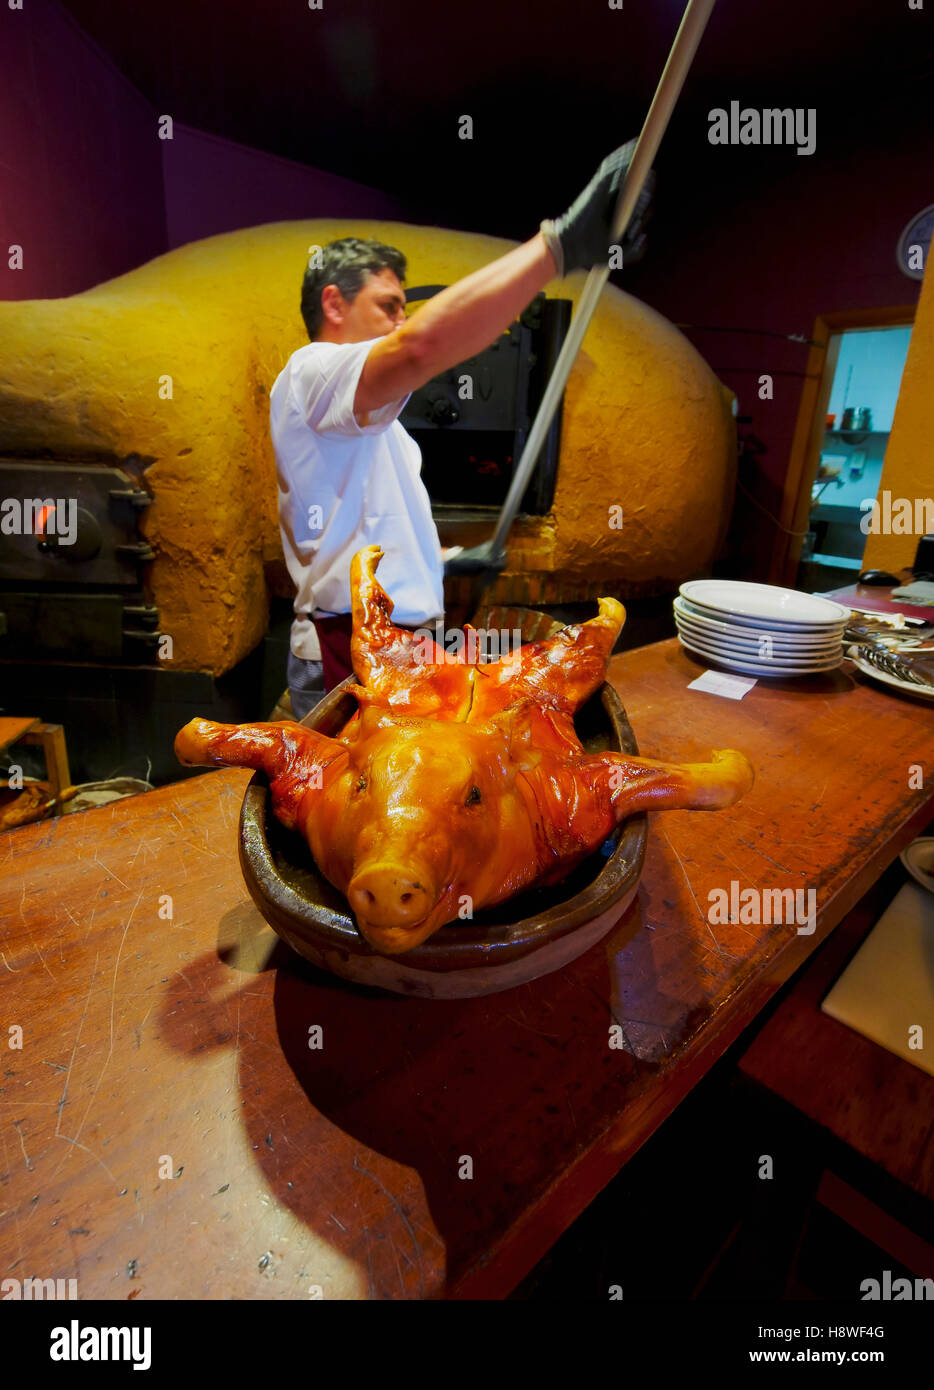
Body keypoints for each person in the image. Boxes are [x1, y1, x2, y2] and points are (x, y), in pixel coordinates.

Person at [270, 140, 653, 718]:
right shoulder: (311, 371)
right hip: (349, 648)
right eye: (389, 305)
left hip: (395, 647)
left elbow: (371, 525)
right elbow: (419, 347)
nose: (401, 320)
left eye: (404, 308)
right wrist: (558, 247)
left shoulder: (378, 427)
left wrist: (444, 561)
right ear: (334, 303)